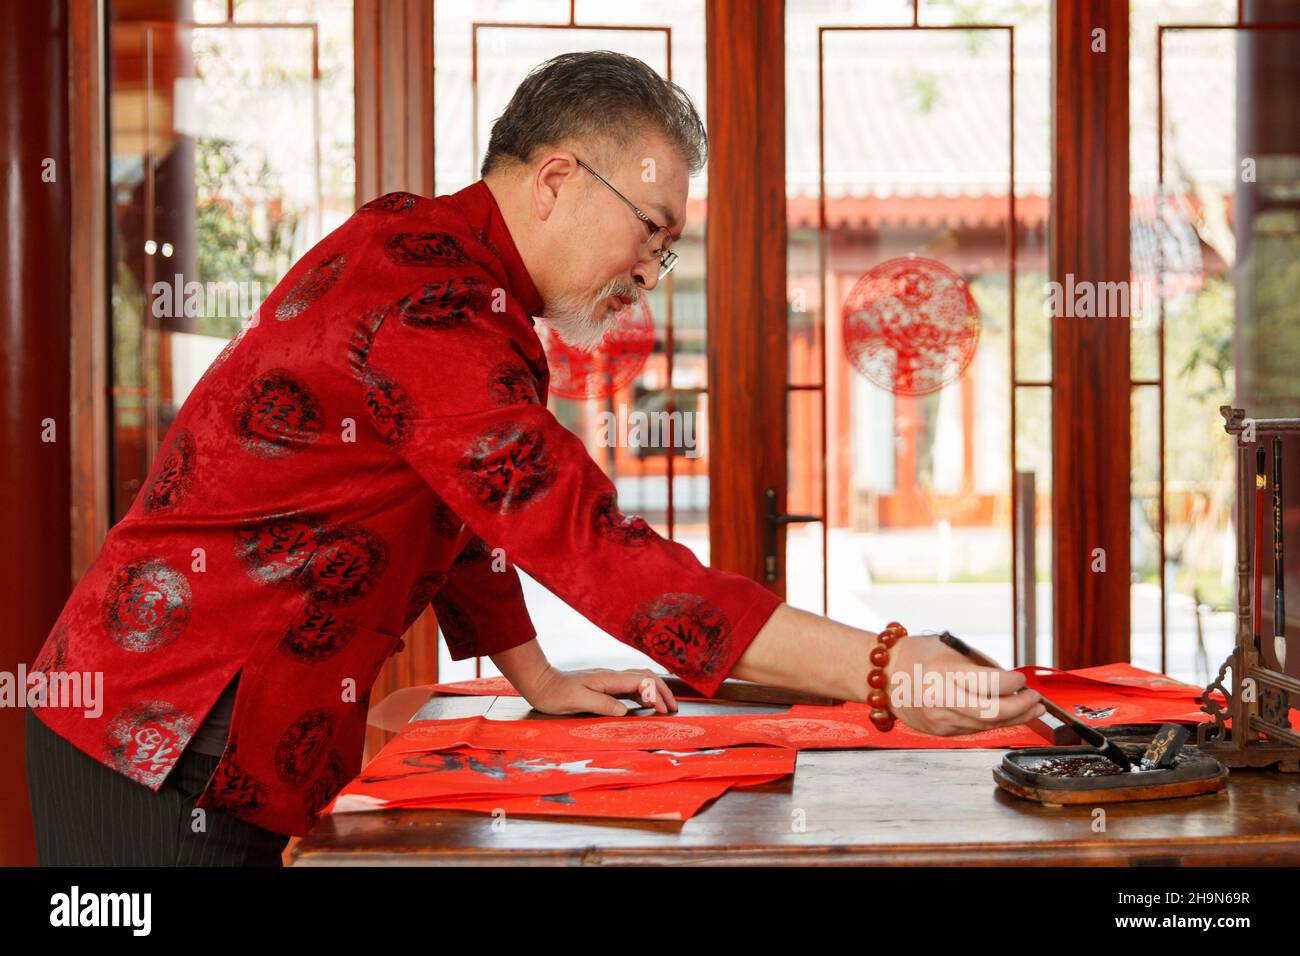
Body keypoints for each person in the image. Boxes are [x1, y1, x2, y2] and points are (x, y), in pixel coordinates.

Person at [25, 49, 1044, 866]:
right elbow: (595, 549)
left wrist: (535, 671)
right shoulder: (432, 305)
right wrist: (883, 665)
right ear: (558, 176)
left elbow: (462, 512)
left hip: (214, 732)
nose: (650, 272)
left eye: (666, 249)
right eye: (651, 232)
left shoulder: (435, 253)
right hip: (162, 733)